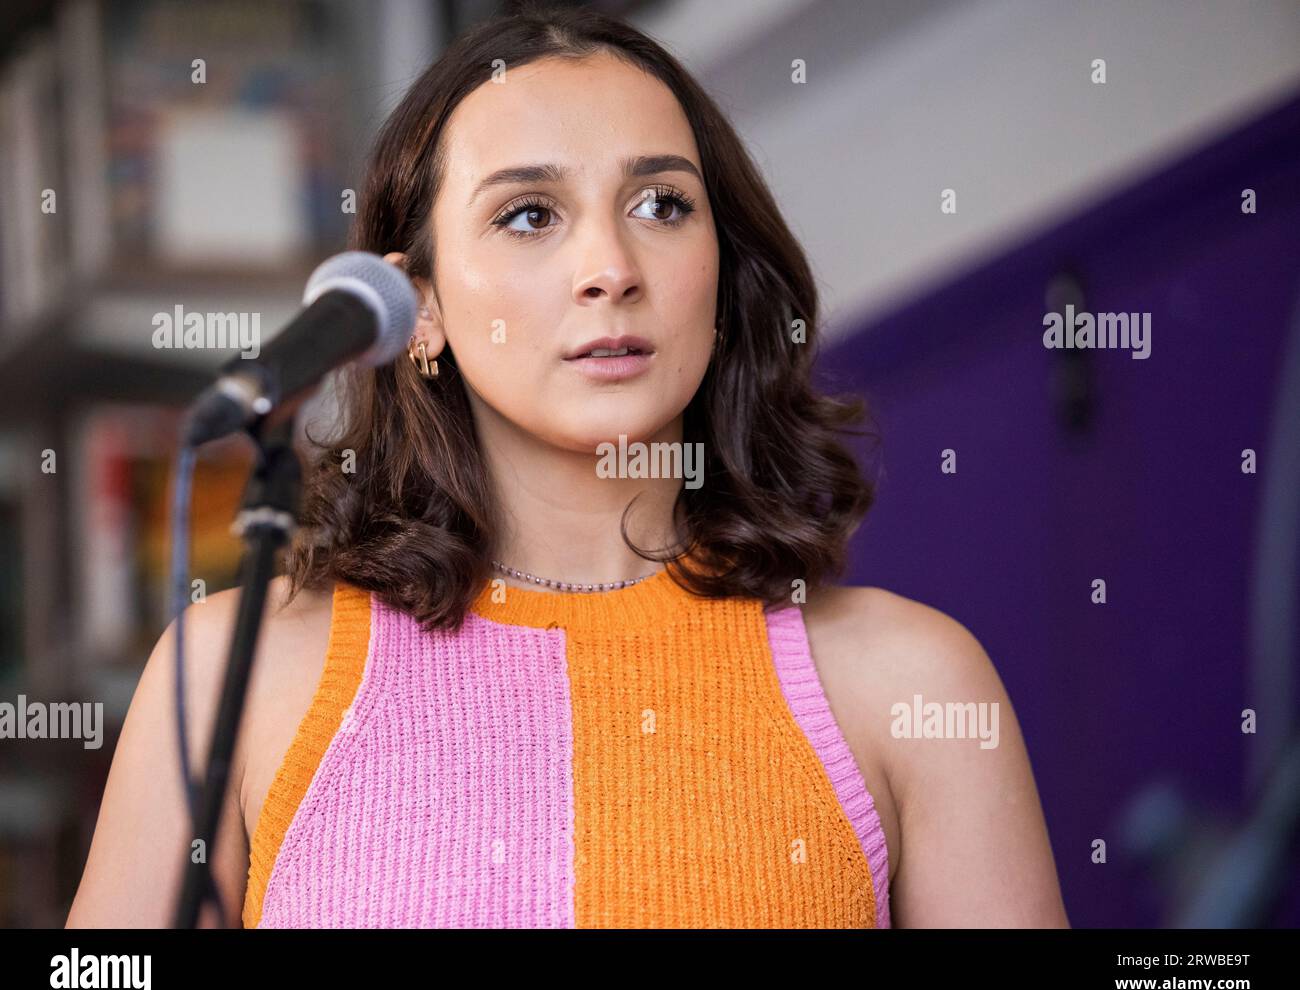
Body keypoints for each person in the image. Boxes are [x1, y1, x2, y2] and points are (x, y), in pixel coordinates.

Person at [66, 2, 1069, 929]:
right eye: (530, 214)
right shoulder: (233, 672)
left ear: (724, 271)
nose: (611, 268)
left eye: (662, 204)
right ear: (418, 311)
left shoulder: (913, 685)